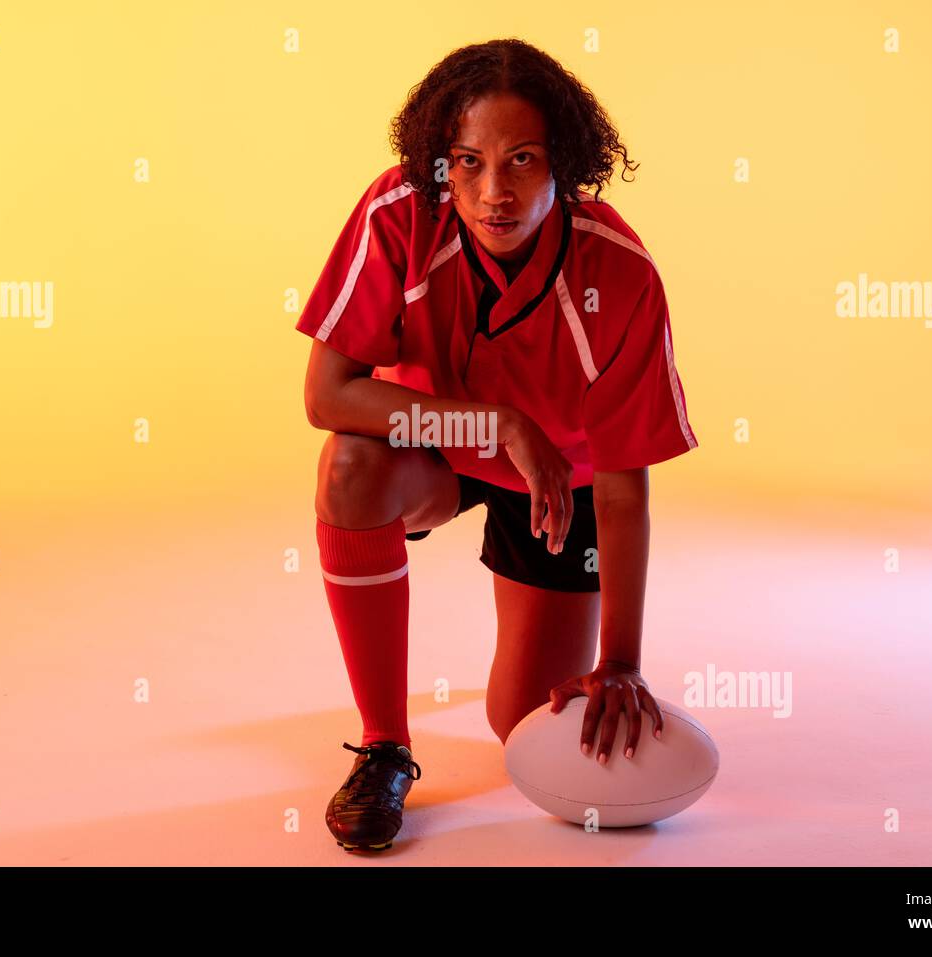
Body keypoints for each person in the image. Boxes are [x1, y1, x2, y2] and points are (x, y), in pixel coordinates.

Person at [296, 38, 698, 851]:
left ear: (567, 164)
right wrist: (498, 424)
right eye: (467, 162)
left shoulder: (619, 276)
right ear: (438, 165)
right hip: (437, 449)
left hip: (563, 489)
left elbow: (622, 492)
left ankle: (540, 629)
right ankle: (384, 745)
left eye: (521, 160)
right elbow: (328, 395)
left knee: (524, 724)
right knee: (349, 464)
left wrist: (621, 661)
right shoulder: (398, 214)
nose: (492, 191)